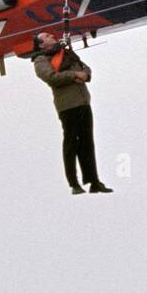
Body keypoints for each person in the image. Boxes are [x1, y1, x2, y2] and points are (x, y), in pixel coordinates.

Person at [31, 30, 112, 195]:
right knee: (71, 143)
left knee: (87, 143)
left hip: (83, 102)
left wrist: (85, 75)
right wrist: (75, 74)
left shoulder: (66, 53)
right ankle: (74, 183)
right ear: (41, 45)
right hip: (67, 105)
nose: (52, 36)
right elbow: (51, 77)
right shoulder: (40, 60)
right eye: (46, 36)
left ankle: (94, 181)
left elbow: (85, 68)